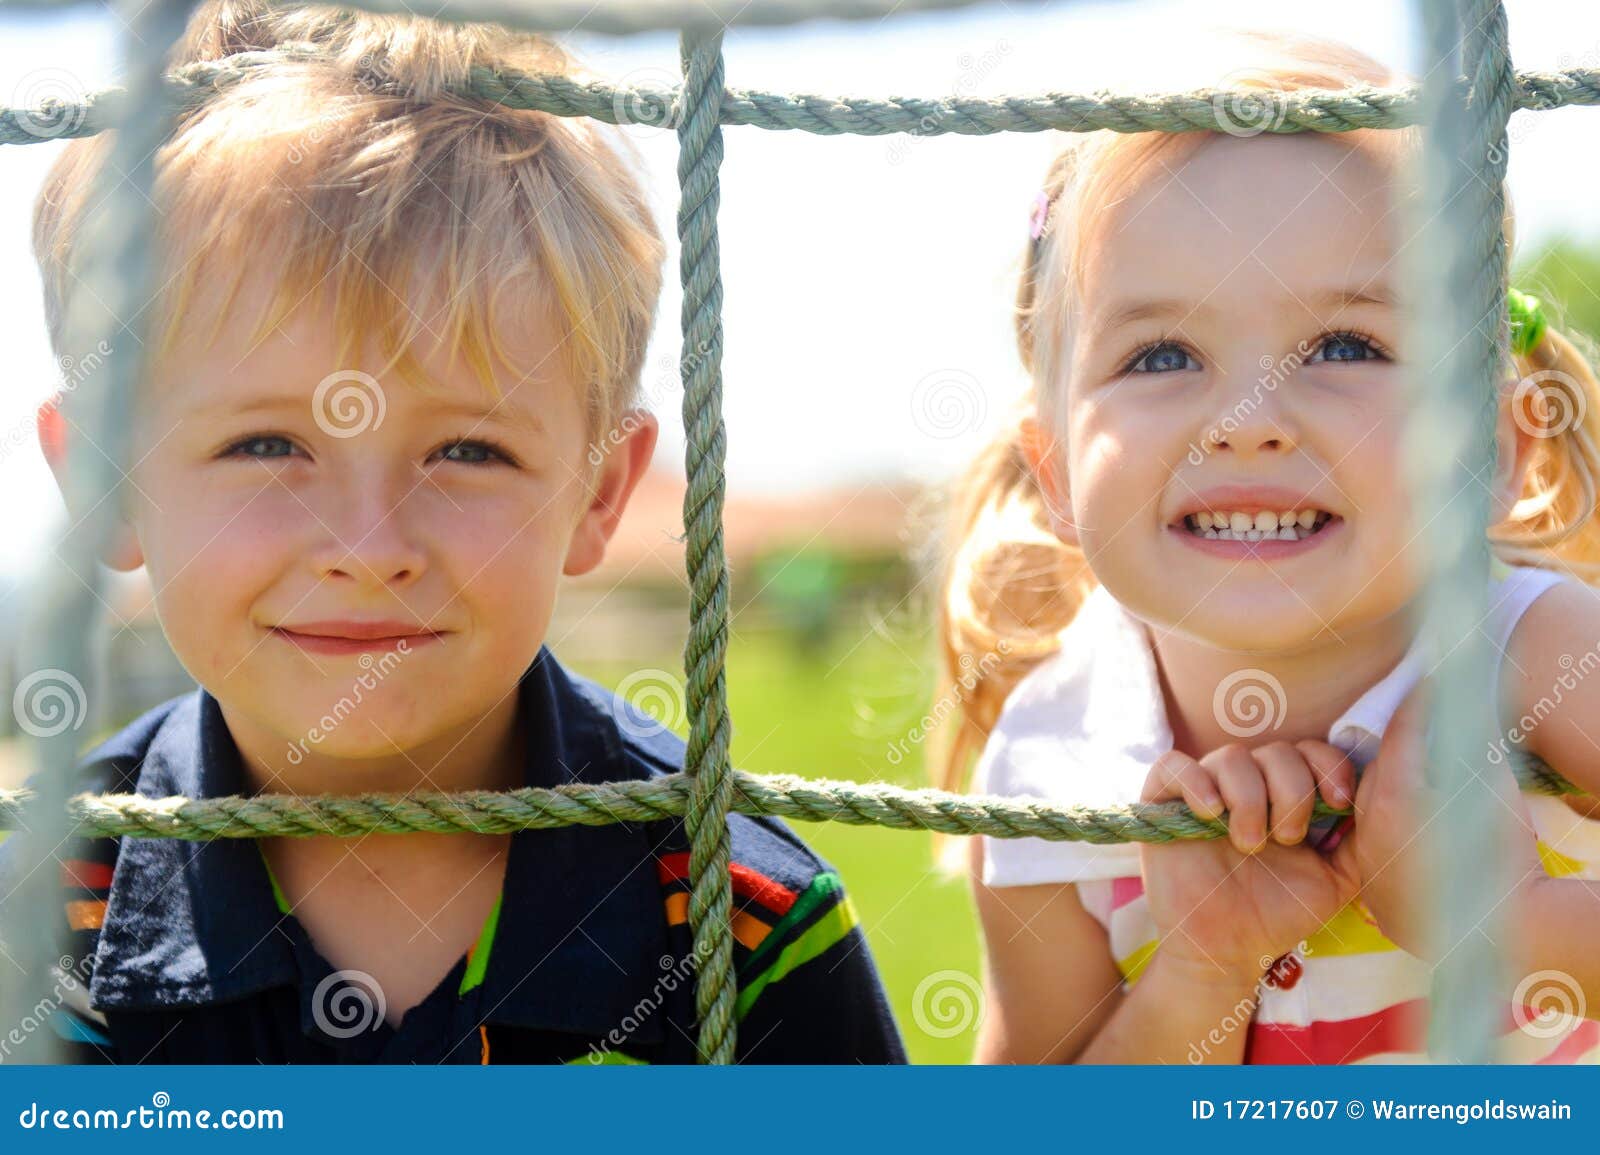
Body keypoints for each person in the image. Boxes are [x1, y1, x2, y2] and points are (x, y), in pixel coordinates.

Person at [0, 0, 904, 1065]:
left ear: (601, 491)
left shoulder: (739, 919)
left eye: (467, 452)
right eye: (265, 445)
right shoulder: (43, 910)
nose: (369, 543)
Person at [937, 30, 1600, 1064]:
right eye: (1161, 355)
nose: (1245, 421)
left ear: (1495, 448)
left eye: (1347, 346)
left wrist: (1505, 925)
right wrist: (1203, 971)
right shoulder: (1050, 756)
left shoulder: (1538, 653)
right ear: (1058, 473)